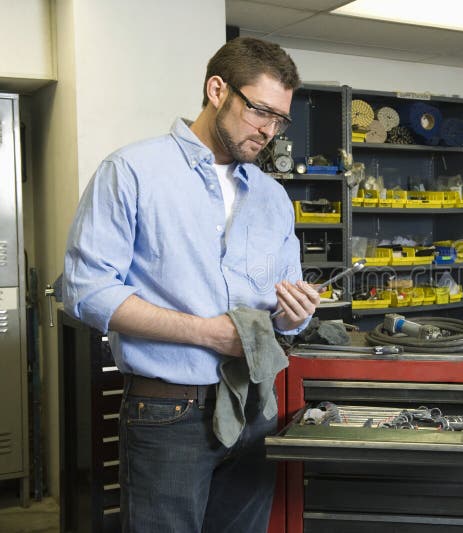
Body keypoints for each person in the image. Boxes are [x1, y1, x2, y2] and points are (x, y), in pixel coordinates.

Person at [63, 37, 320, 532]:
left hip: (255, 407)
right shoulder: (132, 171)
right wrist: (208, 333)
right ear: (217, 90)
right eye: (260, 111)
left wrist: (294, 314)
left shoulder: (272, 197)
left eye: (280, 120)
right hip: (167, 412)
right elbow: (86, 290)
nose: (269, 131)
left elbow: (285, 311)